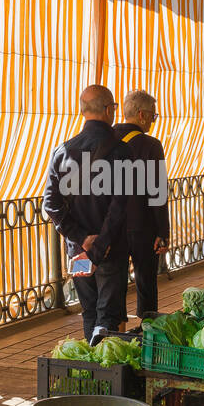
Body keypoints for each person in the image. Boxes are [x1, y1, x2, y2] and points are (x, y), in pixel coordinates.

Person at [42, 84, 130, 343]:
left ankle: (91, 371)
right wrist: (100, 245)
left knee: (89, 310)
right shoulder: (121, 151)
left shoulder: (62, 151)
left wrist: (81, 238)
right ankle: (108, 371)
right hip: (110, 250)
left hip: (78, 250)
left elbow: (50, 203)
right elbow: (119, 206)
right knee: (108, 313)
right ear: (108, 110)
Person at [111, 90, 170, 322]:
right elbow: (157, 192)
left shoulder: (107, 139)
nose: (153, 122)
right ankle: (147, 331)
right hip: (142, 226)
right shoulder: (150, 145)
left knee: (115, 284)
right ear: (142, 115)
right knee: (146, 282)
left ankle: (115, 331)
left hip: (112, 227)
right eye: (153, 117)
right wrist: (162, 232)